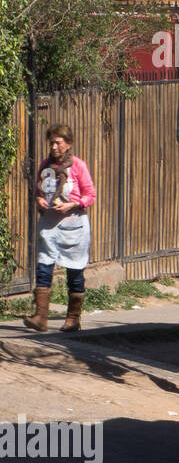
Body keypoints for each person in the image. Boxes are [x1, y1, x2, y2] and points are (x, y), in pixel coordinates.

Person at [25, 124, 95, 333]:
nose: (54, 146)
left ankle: (73, 318)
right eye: (52, 142)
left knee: (74, 271)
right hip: (50, 224)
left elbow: (90, 195)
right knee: (44, 266)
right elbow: (37, 190)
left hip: (74, 225)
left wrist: (72, 204)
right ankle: (41, 317)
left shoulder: (78, 166)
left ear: (68, 144)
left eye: (58, 142)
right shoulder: (46, 166)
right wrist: (39, 200)